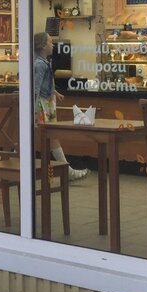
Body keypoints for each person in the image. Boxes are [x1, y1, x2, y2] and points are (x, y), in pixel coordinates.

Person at [33, 32, 89, 181]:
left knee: (51, 137)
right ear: (43, 46)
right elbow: (36, 88)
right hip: (43, 106)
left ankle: (65, 170)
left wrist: (54, 92)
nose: (53, 45)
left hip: (46, 104)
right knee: (52, 137)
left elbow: (43, 84)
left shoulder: (42, 62)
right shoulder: (40, 64)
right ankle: (66, 170)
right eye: (50, 42)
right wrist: (35, 109)